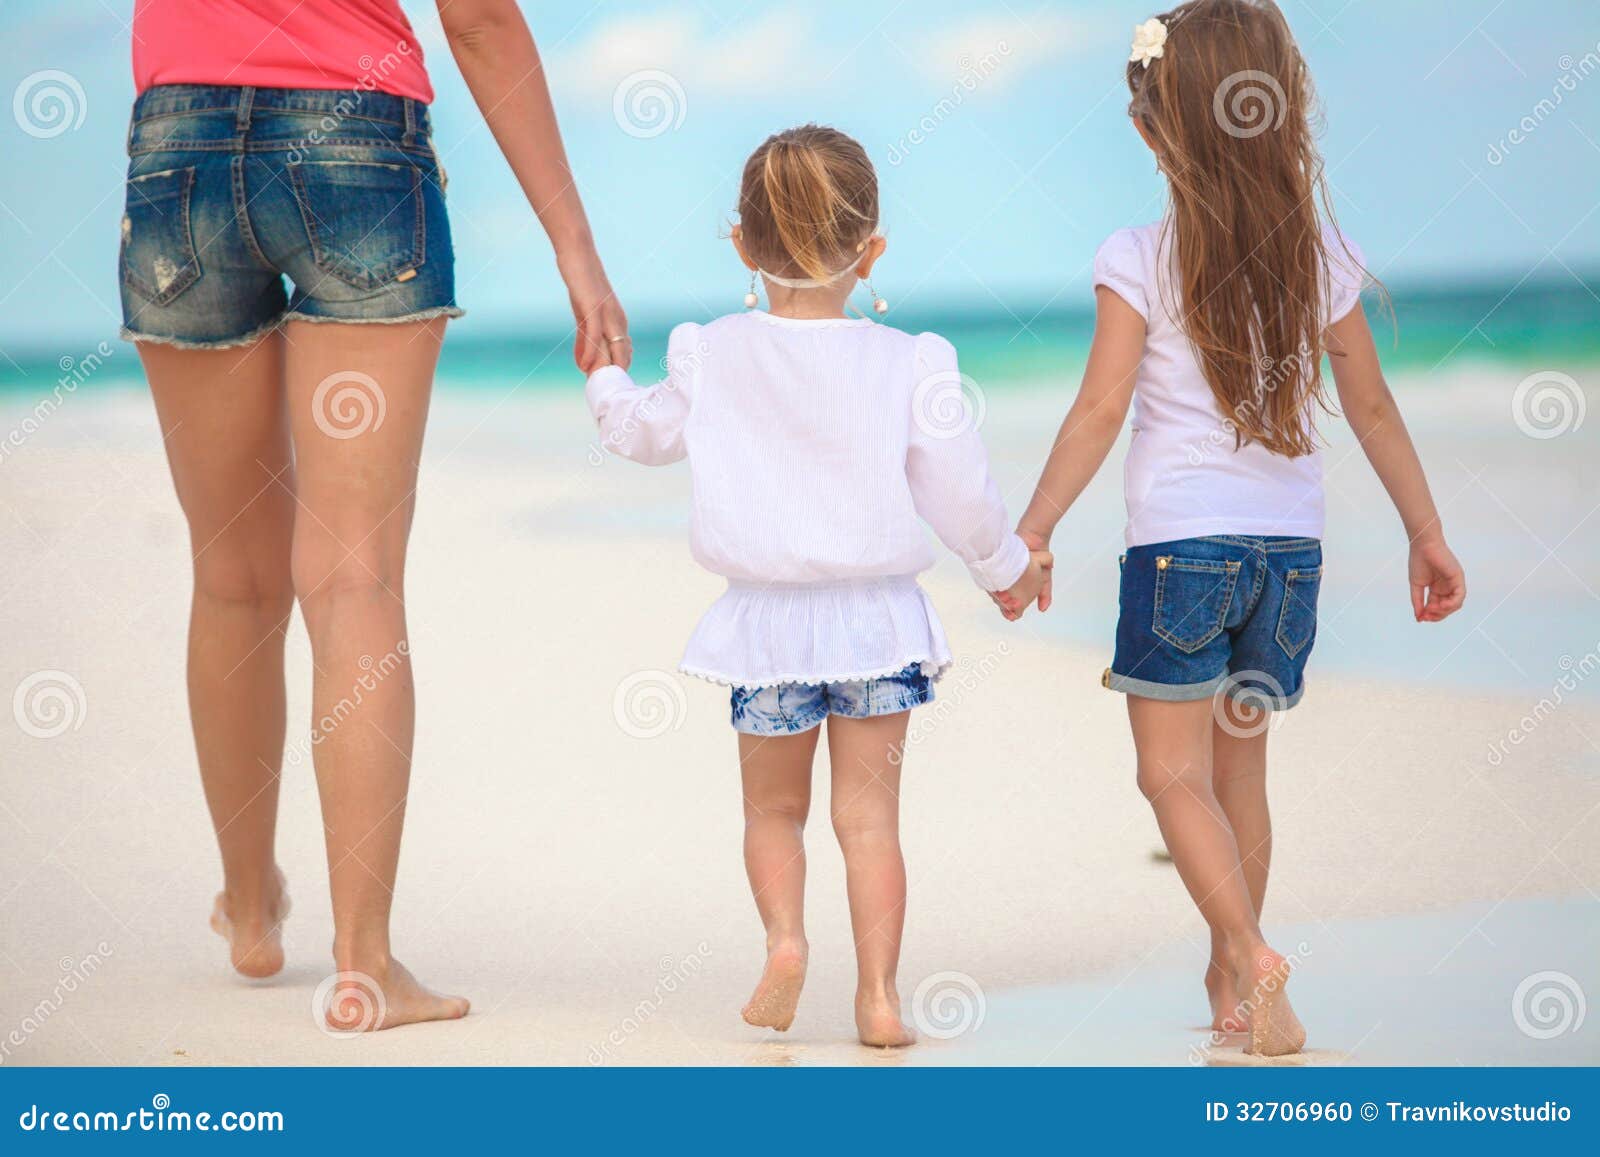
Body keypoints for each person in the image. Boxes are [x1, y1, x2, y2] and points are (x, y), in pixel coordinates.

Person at [119, 0, 628, 1031]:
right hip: (356, 145)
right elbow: (478, 18)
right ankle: (362, 963)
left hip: (177, 152)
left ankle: (253, 904)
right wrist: (575, 247)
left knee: (231, 572)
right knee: (352, 576)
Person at [1011, 0, 1466, 1055]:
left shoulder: (1135, 255)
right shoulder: (1320, 251)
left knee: (1169, 776)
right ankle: (1228, 985)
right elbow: (1372, 408)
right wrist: (1424, 528)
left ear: (1149, 130)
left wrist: (1033, 527)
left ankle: (1252, 951)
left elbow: (1097, 408)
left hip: (1182, 554)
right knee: (1238, 777)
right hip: (1287, 563)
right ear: (1284, 108)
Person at [585, 125, 1051, 1047]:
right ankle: (879, 996)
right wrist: (1006, 570)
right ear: (871, 249)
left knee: (772, 810)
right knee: (870, 819)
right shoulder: (912, 360)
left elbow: (637, 433)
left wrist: (603, 374)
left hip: (764, 629)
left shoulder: (707, 353)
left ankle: (787, 942)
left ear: (742, 246)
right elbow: (960, 491)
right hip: (879, 622)